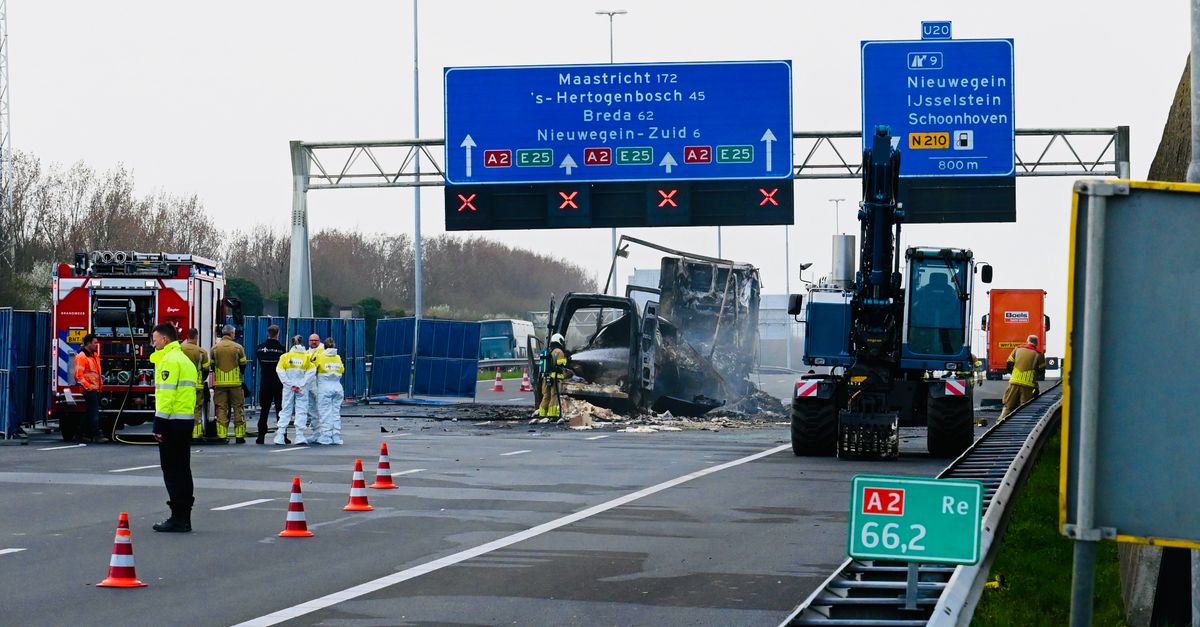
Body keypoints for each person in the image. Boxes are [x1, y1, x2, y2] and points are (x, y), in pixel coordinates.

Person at [150, 323, 198, 533]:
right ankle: (183, 516)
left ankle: (178, 517)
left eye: (155, 339)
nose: (153, 343)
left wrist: (158, 424)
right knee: (183, 469)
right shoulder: (184, 360)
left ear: (165, 340)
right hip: (184, 421)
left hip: (171, 423)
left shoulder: (169, 361)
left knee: (171, 471)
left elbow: (166, 397)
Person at [210, 324, 248, 443]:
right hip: (236, 384)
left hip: (220, 384)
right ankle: (239, 436)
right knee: (238, 408)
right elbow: (243, 364)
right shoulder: (238, 347)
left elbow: (212, 365)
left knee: (221, 408)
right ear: (232, 334)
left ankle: (222, 436)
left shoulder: (215, 348)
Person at [275, 335, 315, 445]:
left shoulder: (285, 356)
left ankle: (280, 435)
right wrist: (301, 384)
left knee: (285, 410)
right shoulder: (307, 357)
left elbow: (279, 370)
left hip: (288, 388)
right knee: (301, 411)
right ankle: (299, 436)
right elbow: (312, 371)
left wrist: (290, 384)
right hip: (302, 389)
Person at [1000, 334, 1048, 420]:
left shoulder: (1017, 349)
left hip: (1014, 381)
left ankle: (1000, 421)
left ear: (1027, 341)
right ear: (1036, 343)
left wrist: (1013, 373)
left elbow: (1009, 363)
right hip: (1028, 385)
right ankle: (1021, 424)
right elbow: (1042, 370)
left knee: (1008, 405)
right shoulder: (1039, 354)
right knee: (1024, 408)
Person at [254, 324, 287, 445]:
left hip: (265, 381)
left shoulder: (259, 348)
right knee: (280, 409)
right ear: (278, 333)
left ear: (268, 333)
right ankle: (283, 435)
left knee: (264, 409)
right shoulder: (282, 349)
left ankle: (261, 435)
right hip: (278, 382)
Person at [180, 328, 211, 440]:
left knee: (183, 409)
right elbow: (206, 369)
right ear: (196, 337)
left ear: (187, 337)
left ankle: (183, 433)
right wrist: (201, 380)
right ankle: (196, 433)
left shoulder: (180, 350)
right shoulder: (202, 352)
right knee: (196, 409)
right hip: (197, 385)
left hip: (182, 386)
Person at [314, 336, 345, 445]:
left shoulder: (320, 356)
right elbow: (342, 369)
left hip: (325, 387)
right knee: (335, 413)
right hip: (337, 387)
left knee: (325, 412)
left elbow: (314, 369)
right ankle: (336, 436)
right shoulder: (338, 357)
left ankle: (326, 436)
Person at [73, 333, 104, 442]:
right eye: (95, 343)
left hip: (95, 389)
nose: (97, 345)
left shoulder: (94, 355)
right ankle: (96, 435)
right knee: (94, 413)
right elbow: (78, 376)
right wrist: (88, 387)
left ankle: (80, 434)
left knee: (89, 412)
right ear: (88, 343)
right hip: (89, 390)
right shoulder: (81, 356)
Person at [536, 333, 569, 418]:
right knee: (554, 396)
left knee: (546, 396)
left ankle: (542, 414)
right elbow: (561, 364)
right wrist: (567, 360)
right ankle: (552, 415)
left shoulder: (549, 351)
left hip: (546, 377)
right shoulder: (559, 351)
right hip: (555, 377)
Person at [305, 333, 324, 435]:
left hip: (319, 383)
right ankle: (316, 432)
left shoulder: (323, 351)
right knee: (312, 409)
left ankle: (324, 432)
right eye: (311, 340)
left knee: (321, 408)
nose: (313, 342)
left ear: (319, 340)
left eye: (315, 340)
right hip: (310, 383)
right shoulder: (306, 352)